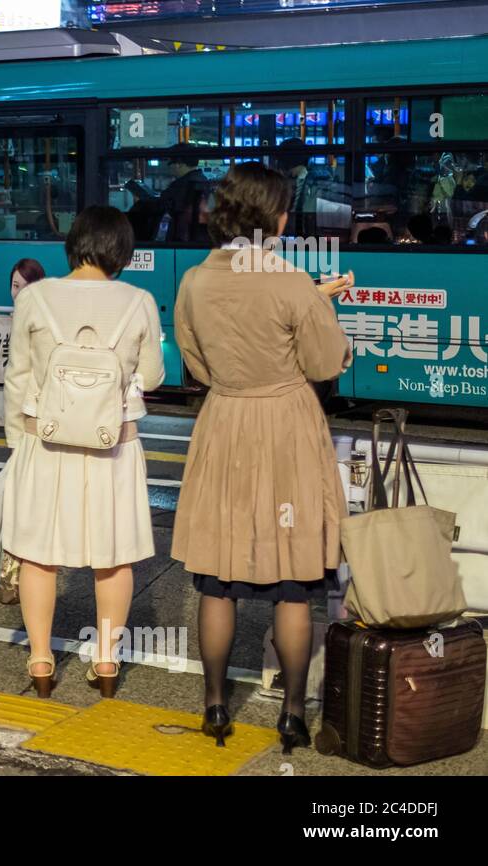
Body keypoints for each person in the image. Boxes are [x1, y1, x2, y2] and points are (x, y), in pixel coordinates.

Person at [171, 162, 354, 755]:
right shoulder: (289, 280)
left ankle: (215, 705)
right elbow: (325, 363)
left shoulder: (196, 280)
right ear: (274, 218)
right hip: (287, 429)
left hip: (225, 422)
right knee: (294, 582)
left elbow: (196, 363)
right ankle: (294, 715)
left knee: (218, 581)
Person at [3, 205, 165, 699]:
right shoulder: (139, 301)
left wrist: (17, 448)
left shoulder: (34, 297)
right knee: (113, 557)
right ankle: (107, 663)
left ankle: (40, 661)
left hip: (43, 441)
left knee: (39, 554)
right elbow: (154, 378)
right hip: (112, 445)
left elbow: (18, 376)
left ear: (73, 244)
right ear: (122, 251)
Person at [158, 151, 210, 242]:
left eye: (171, 163)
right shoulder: (203, 179)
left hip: (183, 237)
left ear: (179, 164)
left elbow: (162, 205)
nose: (170, 168)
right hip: (199, 236)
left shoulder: (181, 185)